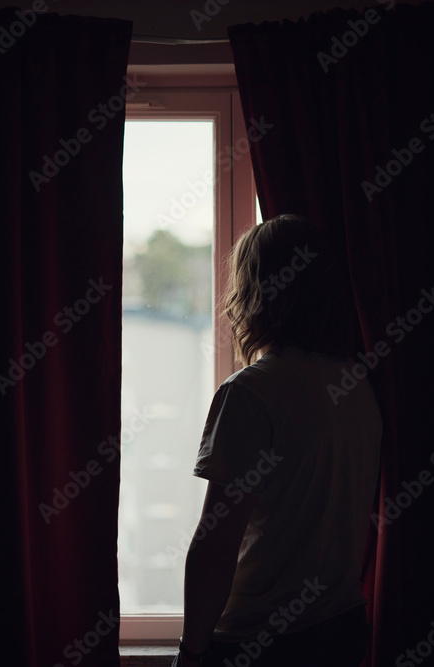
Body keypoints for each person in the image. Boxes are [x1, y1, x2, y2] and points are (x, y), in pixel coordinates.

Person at [172, 214, 382, 666]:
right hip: (341, 625)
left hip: (262, 638)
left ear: (252, 294)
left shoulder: (250, 393)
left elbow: (216, 543)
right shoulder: (357, 384)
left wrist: (191, 652)